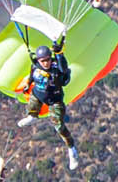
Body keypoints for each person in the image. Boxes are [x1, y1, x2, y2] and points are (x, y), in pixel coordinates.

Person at [16, 41, 79, 170]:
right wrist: (28, 84)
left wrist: (59, 54)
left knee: (59, 127)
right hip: (38, 94)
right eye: (43, 60)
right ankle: (32, 115)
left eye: (48, 59)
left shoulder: (56, 69)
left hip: (55, 100)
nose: (46, 63)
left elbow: (64, 68)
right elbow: (31, 76)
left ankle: (72, 149)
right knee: (33, 102)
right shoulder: (35, 66)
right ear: (39, 60)